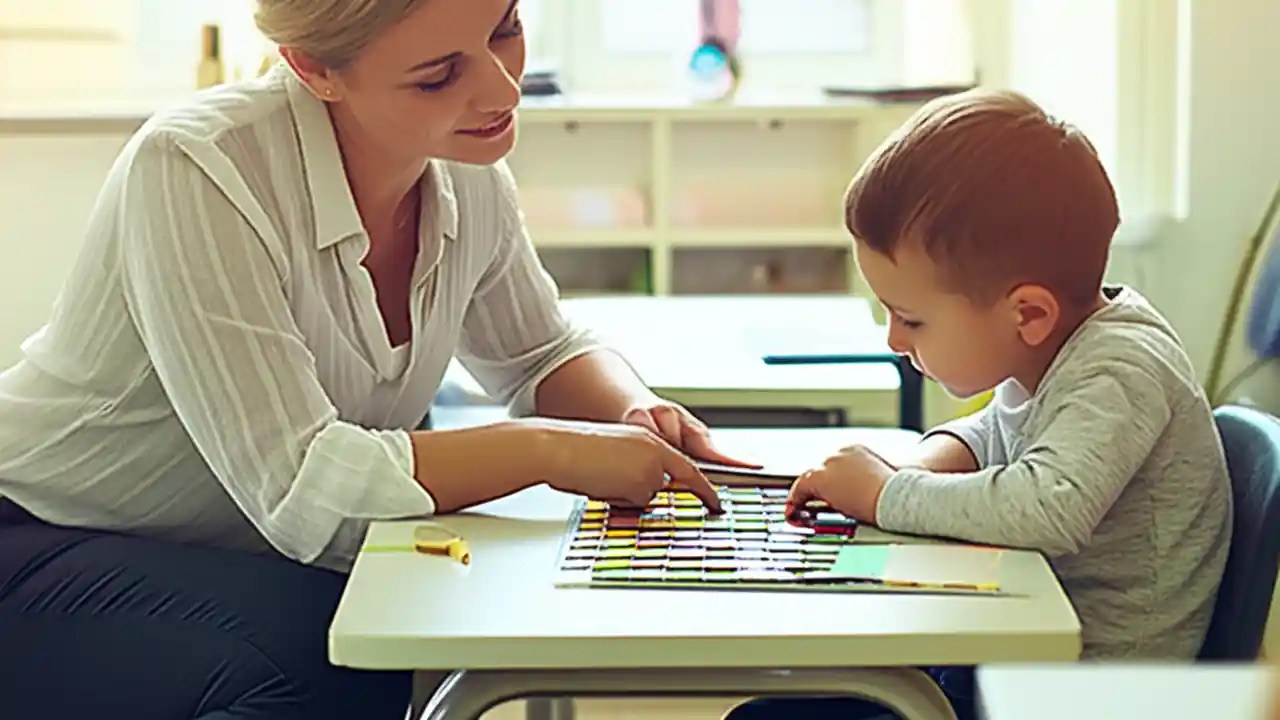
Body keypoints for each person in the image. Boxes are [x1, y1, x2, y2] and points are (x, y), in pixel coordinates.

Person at [0, 1, 753, 717]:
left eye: (505, 28)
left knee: (389, 620)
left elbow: (540, 354)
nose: (502, 85)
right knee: (326, 654)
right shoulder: (198, 168)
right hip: (41, 533)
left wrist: (630, 411)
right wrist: (552, 449)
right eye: (437, 74)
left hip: (221, 549)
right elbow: (307, 491)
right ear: (313, 67)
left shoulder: (464, 165)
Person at [727, 88, 1233, 720]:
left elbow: (1048, 506)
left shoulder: (1120, 368)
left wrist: (886, 494)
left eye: (910, 318)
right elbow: (1006, 428)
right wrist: (934, 457)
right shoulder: (1053, 347)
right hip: (1023, 652)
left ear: (1027, 313)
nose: (893, 338)